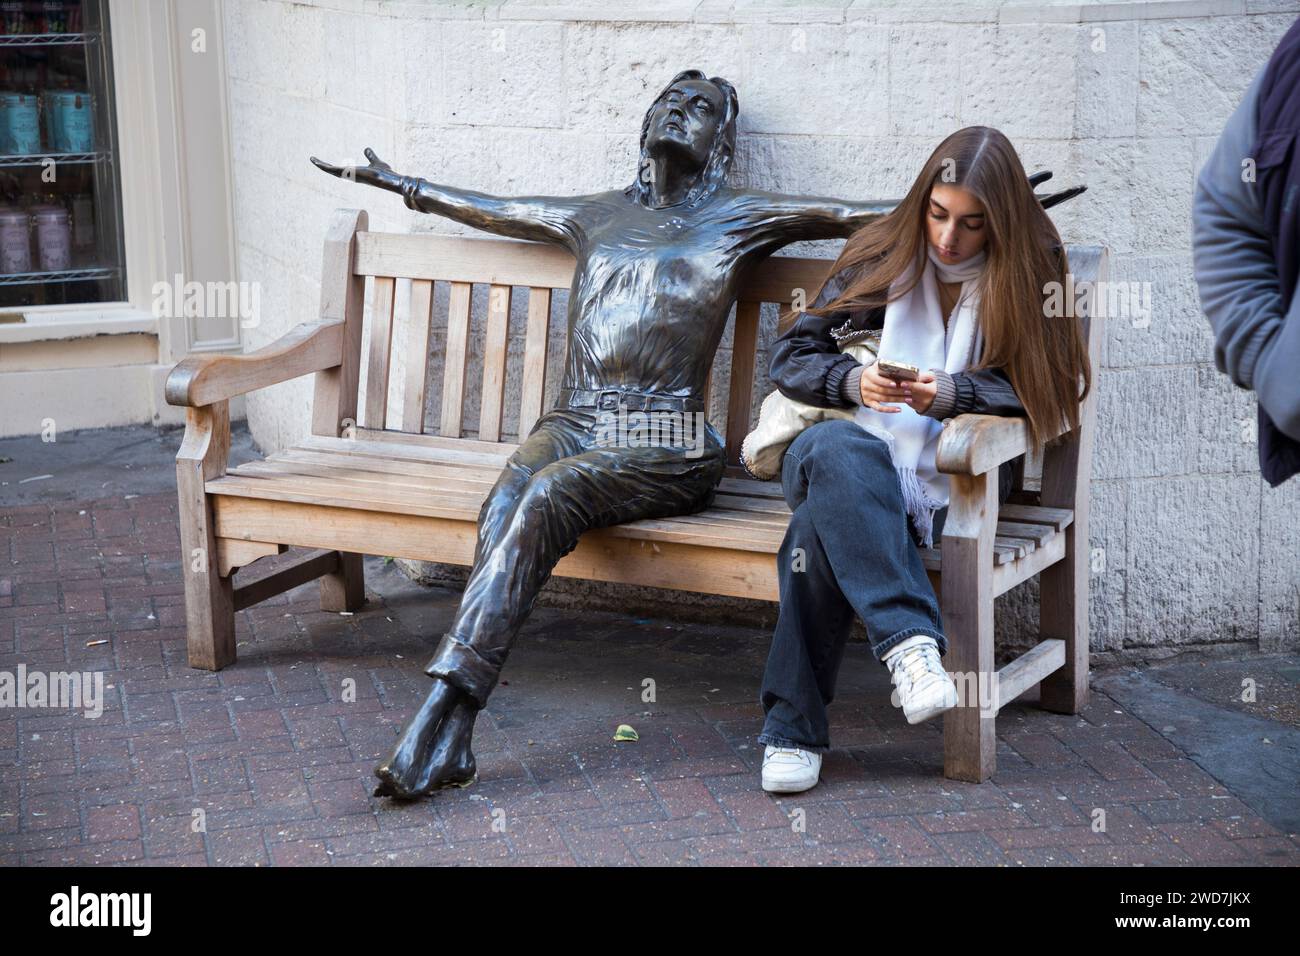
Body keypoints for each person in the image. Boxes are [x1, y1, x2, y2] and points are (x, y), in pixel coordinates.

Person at [755, 126, 1093, 793]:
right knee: (837, 445)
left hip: (949, 488)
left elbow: (1053, 391)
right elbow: (792, 356)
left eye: (972, 224)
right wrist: (855, 385)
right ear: (921, 203)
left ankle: (791, 733)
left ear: (1001, 222)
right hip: (836, 455)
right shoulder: (883, 252)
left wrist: (954, 394)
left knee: (816, 532)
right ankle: (912, 644)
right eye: (938, 215)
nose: (947, 239)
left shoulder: (1028, 270)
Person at [1192, 16, 1300, 487]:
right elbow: (1223, 211)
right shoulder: (1294, 59)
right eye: (935, 214)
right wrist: (1276, 369)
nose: (949, 237)